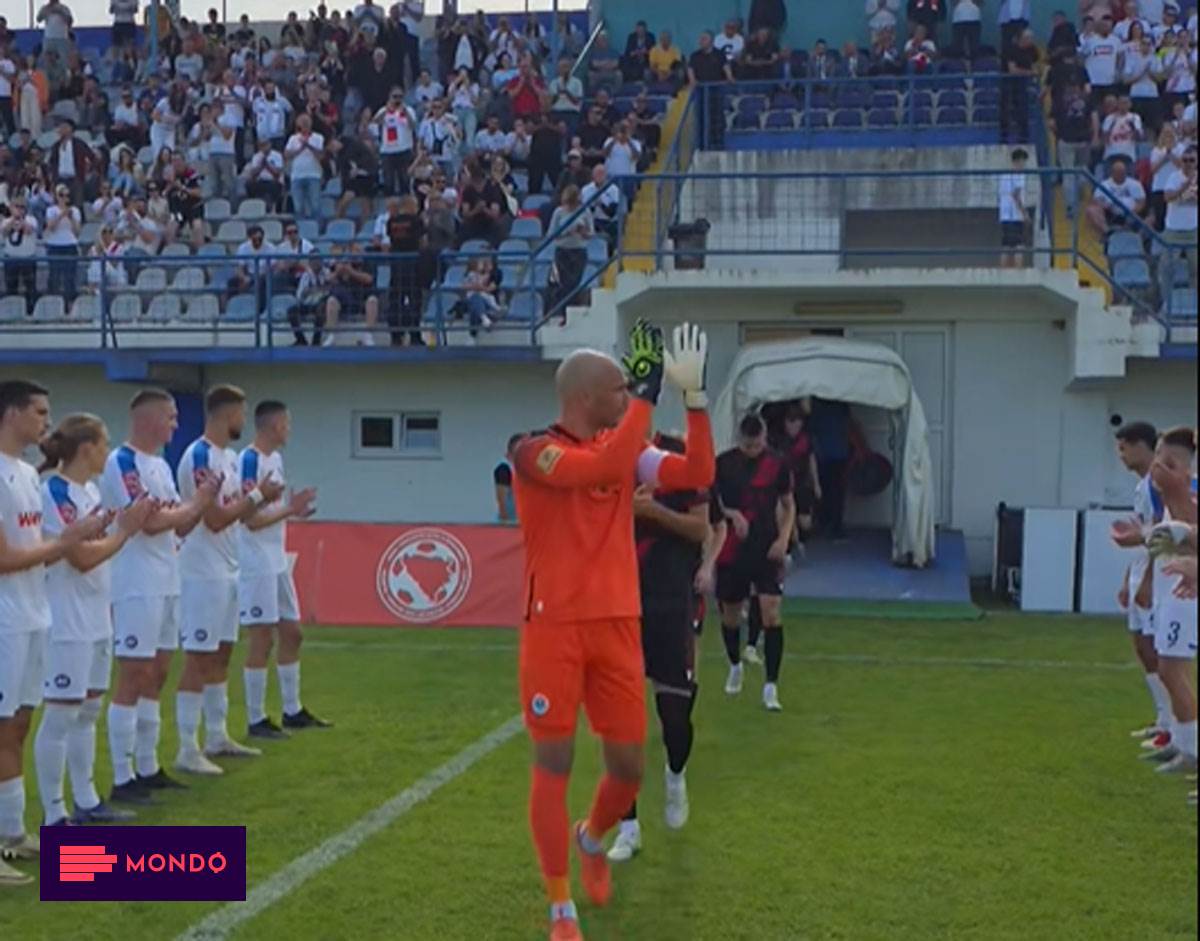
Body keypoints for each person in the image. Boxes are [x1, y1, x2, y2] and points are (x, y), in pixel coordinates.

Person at [512, 321, 714, 941]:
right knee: (554, 759)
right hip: (554, 629)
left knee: (627, 767)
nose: (628, 397)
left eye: (631, 389)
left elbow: (696, 470)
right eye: (619, 389)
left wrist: (695, 400)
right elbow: (592, 467)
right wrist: (648, 399)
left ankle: (593, 838)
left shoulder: (628, 445)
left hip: (619, 626)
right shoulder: (530, 449)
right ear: (584, 398)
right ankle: (559, 906)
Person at [0, 382, 107, 885]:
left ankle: (12, 832)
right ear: (12, 413)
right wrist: (65, 543)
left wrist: (69, 539)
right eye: (39, 411)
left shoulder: (24, 473)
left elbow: (34, 543)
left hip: (32, 614)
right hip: (6, 618)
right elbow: (4, 558)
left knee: (18, 725)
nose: (47, 421)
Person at [33, 415, 153, 828]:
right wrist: (122, 533)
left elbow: (93, 548)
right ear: (87, 449)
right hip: (66, 619)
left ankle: (86, 799)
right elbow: (80, 557)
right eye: (103, 445)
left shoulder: (89, 492)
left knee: (88, 711)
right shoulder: (54, 492)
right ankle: (54, 813)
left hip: (97, 616)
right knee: (62, 715)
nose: (107, 453)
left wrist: (112, 533)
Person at [99, 388, 217, 804]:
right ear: (147, 419)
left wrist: (198, 506)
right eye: (169, 417)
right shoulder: (123, 463)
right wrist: (196, 504)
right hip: (136, 583)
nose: (174, 424)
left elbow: (177, 525)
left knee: (158, 672)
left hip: (168, 578)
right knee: (133, 674)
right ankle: (122, 774)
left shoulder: (162, 467)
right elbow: (147, 523)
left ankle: (147, 765)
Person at [606, 431, 713, 864]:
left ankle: (675, 773)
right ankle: (627, 827)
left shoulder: (679, 466)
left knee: (673, 719)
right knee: (619, 723)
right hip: (618, 605)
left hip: (671, 603)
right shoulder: (608, 467)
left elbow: (701, 527)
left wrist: (653, 511)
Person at [174, 386, 285, 775]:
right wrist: (258, 497)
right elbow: (216, 517)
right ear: (227, 414)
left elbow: (232, 513)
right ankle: (187, 746)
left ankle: (217, 735)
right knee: (198, 656)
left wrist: (255, 498)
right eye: (241, 413)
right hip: (202, 570)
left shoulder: (232, 458)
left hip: (228, 566)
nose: (243, 420)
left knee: (221, 653)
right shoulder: (201, 454)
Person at [239, 400, 326, 739]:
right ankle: (256, 718)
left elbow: (270, 511)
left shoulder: (275, 460)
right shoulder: (249, 460)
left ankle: (292, 710)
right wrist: (289, 507)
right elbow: (250, 518)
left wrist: (293, 511)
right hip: (255, 561)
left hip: (276, 558)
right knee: (261, 638)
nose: (289, 430)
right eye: (286, 424)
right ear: (274, 426)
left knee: (292, 633)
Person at [714, 414, 795, 711]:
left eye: (757, 444)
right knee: (731, 615)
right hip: (733, 549)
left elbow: (788, 503)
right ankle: (735, 664)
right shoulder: (723, 463)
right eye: (748, 445)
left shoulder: (778, 463)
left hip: (766, 548)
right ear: (740, 440)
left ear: (764, 438)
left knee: (771, 613)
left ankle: (771, 686)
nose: (753, 449)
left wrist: (784, 538)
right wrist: (732, 514)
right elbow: (712, 500)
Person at [1137, 428, 1198, 778]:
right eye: (1158, 458)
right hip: (1168, 592)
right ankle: (1180, 739)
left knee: (1172, 670)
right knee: (1169, 669)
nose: (1158, 467)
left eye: (1168, 462)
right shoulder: (1167, 505)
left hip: (1184, 596)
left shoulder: (1189, 504)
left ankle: (1191, 749)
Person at [1112, 422, 1175, 752]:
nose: (1120, 455)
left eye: (1124, 447)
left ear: (1141, 446)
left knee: (1160, 652)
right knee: (1142, 648)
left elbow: (1163, 533)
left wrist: (1149, 578)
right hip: (1142, 571)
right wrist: (1129, 578)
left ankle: (1176, 728)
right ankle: (1164, 719)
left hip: (1160, 575)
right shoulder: (1142, 486)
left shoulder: (1158, 483)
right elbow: (1144, 534)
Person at [771, 402, 822, 560]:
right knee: (785, 514)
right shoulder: (777, 440)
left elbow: (811, 461)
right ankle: (790, 545)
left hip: (802, 482)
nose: (793, 425)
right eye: (790, 421)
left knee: (804, 522)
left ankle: (802, 534)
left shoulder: (807, 440)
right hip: (784, 483)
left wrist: (816, 483)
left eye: (797, 421)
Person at [809, 398, 852, 539]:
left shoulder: (817, 404)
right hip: (835, 452)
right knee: (834, 492)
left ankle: (829, 524)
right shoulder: (841, 404)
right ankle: (833, 526)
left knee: (829, 491)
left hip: (830, 453)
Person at [1, 197, 39, 316]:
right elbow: (4, 232)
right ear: (11, 208)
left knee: (30, 288)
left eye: (22, 207)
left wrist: (21, 221)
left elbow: (29, 230)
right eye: (16, 207)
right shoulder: (6, 221)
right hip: (11, 258)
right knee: (11, 287)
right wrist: (13, 220)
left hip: (28, 258)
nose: (19, 209)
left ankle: (30, 312)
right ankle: (12, 312)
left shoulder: (31, 220)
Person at [285, 113, 326, 221]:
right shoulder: (293, 139)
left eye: (306, 123)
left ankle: (317, 230)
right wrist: (300, 148)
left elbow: (321, 156)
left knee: (315, 205)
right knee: (298, 207)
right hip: (297, 176)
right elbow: (287, 154)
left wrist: (309, 146)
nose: (304, 126)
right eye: (302, 123)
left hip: (314, 174)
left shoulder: (318, 138)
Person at [998, 147, 1031, 268]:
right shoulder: (1019, 175)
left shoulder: (1004, 176)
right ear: (1018, 161)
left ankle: (1003, 271)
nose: (1024, 165)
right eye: (1023, 162)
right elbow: (1016, 194)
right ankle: (1018, 271)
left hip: (1004, 215)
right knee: (1019, 245)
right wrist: (1024, 213)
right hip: (1015, 215)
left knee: (1006, 245)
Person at [494, 433, 522, 523]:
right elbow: (501, 500)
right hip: (510, 522)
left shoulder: (524, 469)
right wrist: (505, 521)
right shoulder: (504, 469)